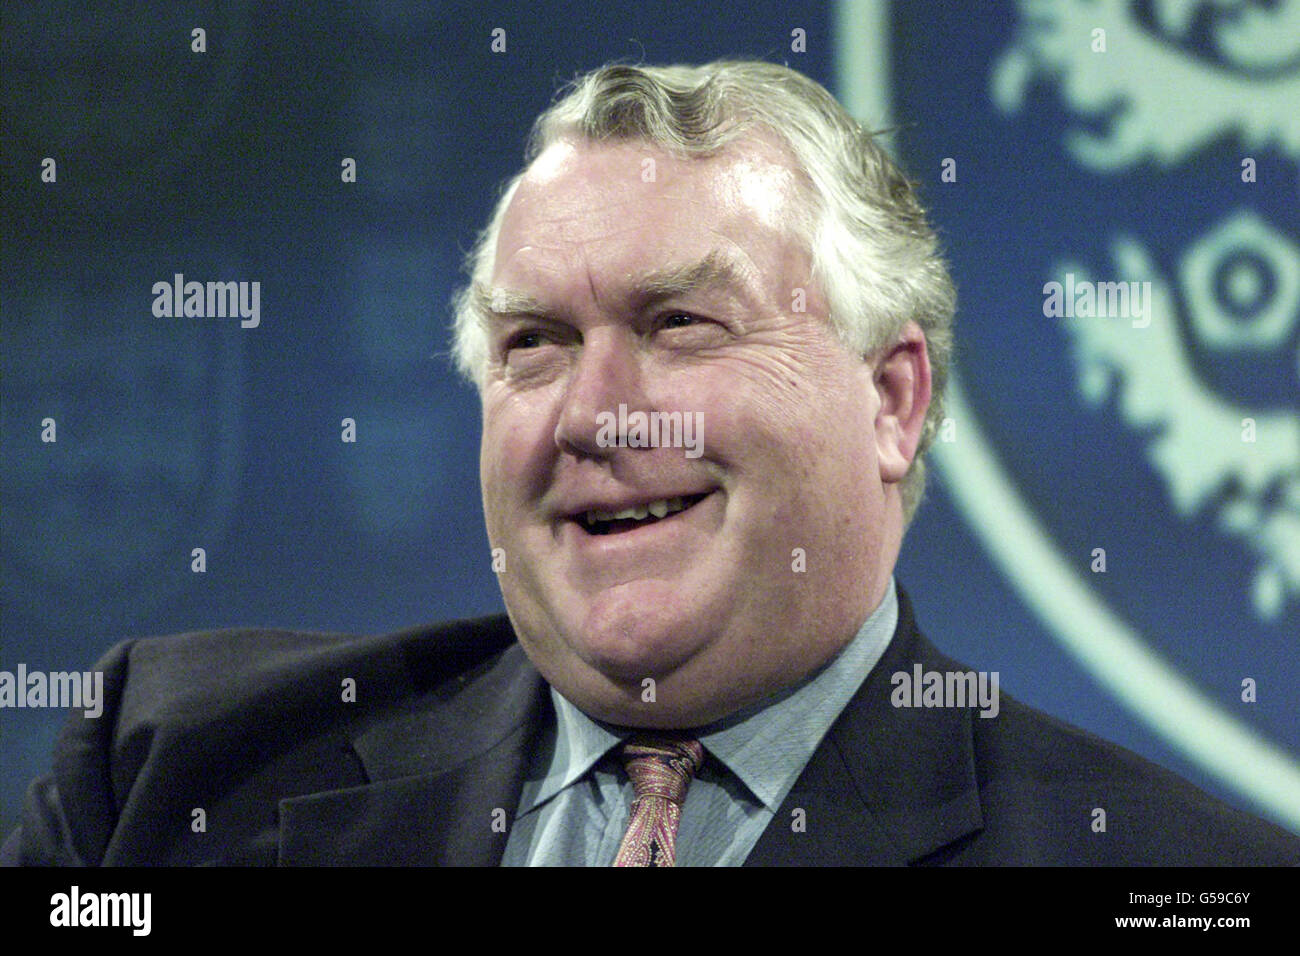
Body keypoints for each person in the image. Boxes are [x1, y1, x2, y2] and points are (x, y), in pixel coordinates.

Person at [4, 60, 1298, 866]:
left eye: (680, 324)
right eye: (534, 343)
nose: (597, 413)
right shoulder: (165, 776)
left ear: (893, 399)